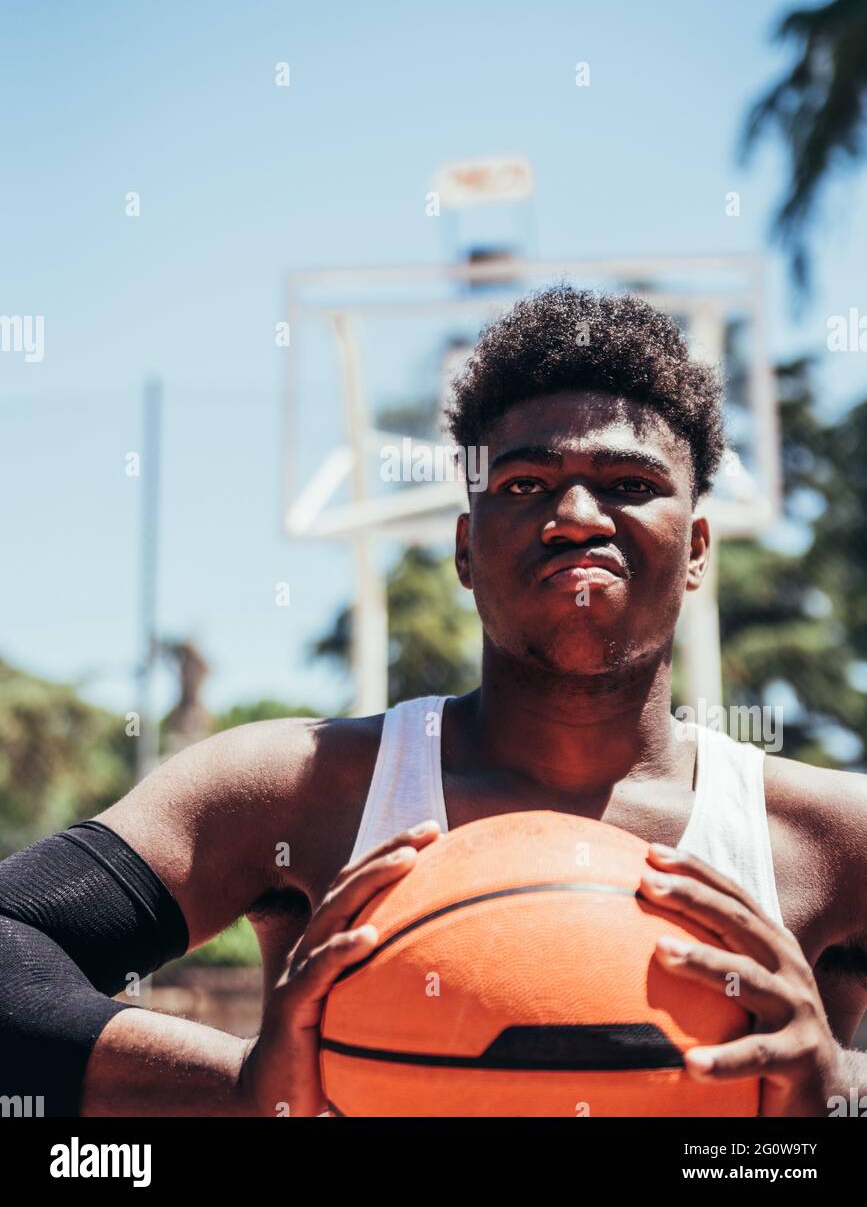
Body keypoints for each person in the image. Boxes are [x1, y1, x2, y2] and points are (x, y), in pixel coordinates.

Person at [2, 286, 865, 1118]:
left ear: (697, 548)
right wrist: (241, 1087)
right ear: (464, 548)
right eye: (523, 483)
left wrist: (837, 1088)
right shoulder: (298, 788)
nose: (575, 515)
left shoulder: (830, 838)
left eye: (629, 484)